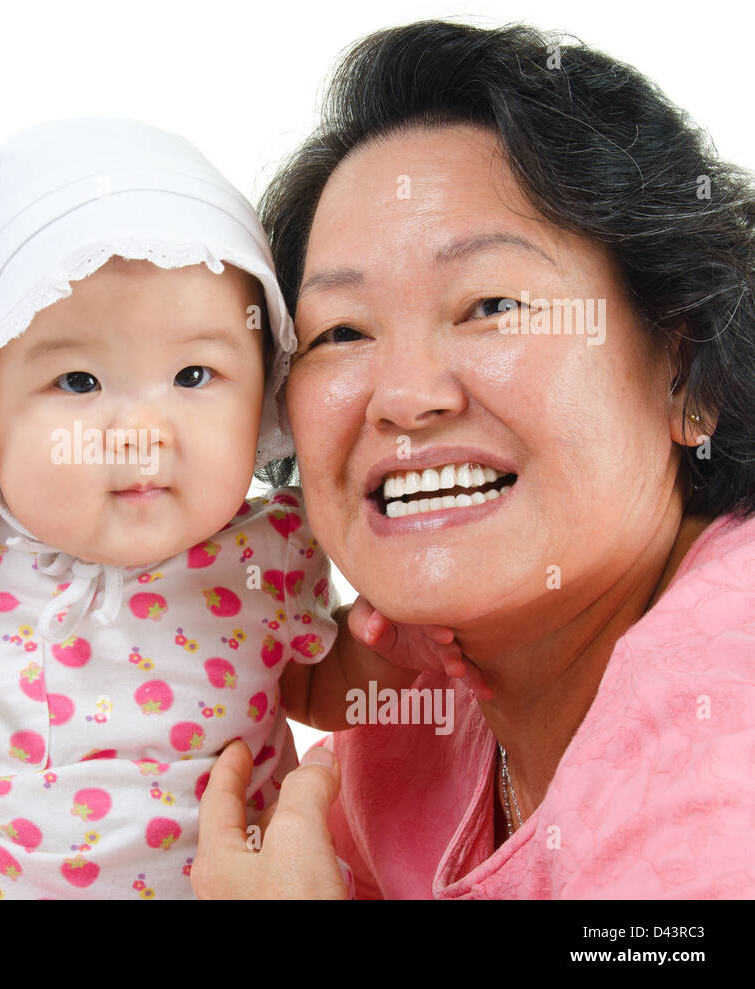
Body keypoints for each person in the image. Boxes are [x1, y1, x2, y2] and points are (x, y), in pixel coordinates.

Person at [0, 118, 475, 900]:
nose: (144, 431)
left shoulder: (272, 553)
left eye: (194, 375)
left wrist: (394, 656)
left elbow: (315, 693)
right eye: (79, 383)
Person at [191, 20, 755, 898]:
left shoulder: (731, 721)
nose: (407, 396)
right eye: (340, 332)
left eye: (490, 305)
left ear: (687, 372)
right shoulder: (414, 695)